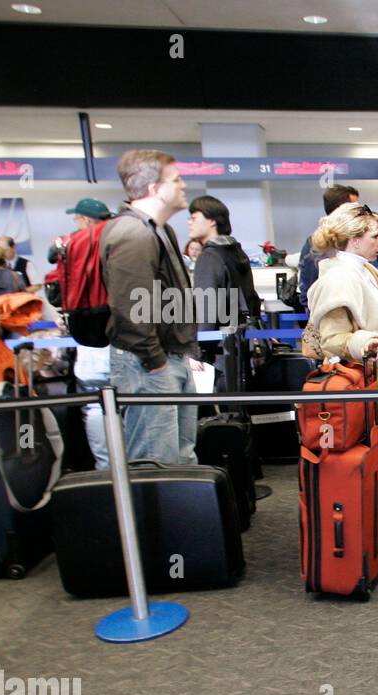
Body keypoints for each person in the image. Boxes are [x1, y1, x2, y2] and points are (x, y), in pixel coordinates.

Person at [305, 202, 378, 487]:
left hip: (372, 379)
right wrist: (364, 340)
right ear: (354, 240)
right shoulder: (339, 278)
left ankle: (376, 527)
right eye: (374, 236)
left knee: (375, 457)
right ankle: (365, 527)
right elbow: (332, 340)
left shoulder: (367, 271)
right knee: (363, 459)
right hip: (358, 385)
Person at [99, 149, 198, 465]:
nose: (183, 185)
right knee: (155, 463)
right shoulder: (133, 234)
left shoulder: (160, 230)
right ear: (155, 188)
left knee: (180, 458)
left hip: (169, 357)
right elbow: (131, 309)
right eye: (176, 179)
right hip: (148, 363)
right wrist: (155, 362)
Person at [298, 184, 378, 310]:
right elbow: (309, 296)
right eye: (355, 207)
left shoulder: (364, 254)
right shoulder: (317, 249)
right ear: (341, 210)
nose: (361, 211)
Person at [187, 195, 261, 328]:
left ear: (211, 221)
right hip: (241, 338)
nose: (189, 222)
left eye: (194, 218)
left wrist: (202, 344)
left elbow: (206, 311)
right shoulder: (237, 252)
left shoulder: (209, 257)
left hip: (219, 342)